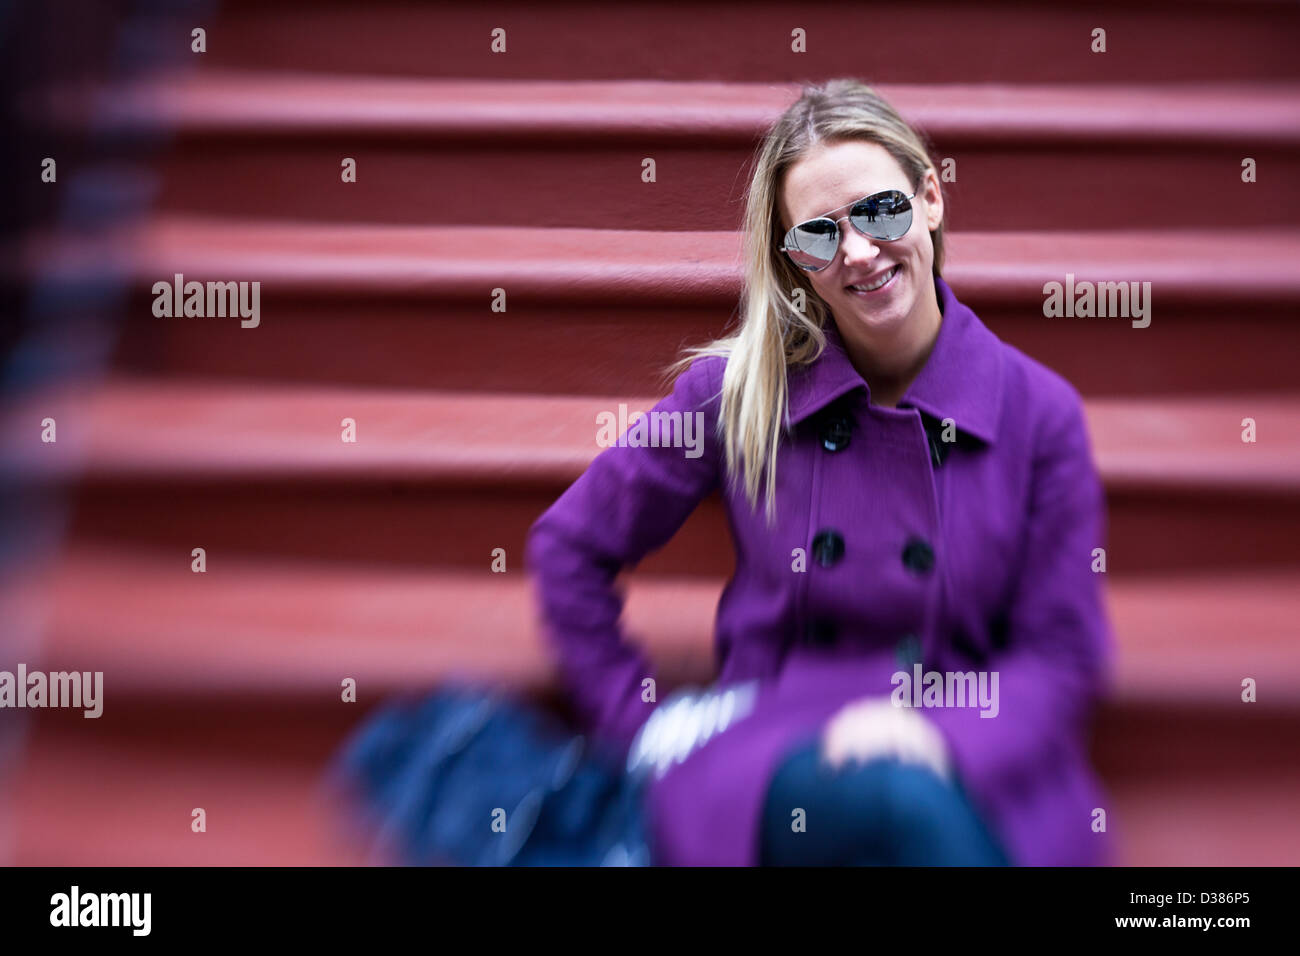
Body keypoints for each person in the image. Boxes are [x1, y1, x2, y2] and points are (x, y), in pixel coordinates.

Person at [525, 78, 1116, 866]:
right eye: (819, 235)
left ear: (930, 198)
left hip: (969, 747)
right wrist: (639, 725)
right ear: (794, 261)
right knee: (895, 805)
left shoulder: (1038, 414)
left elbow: (1061, 656)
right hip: (781, 751)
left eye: (880, 211)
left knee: (917, 807)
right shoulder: (741, 395)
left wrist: (934, 732)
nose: (860, 253)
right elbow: (568, 544)